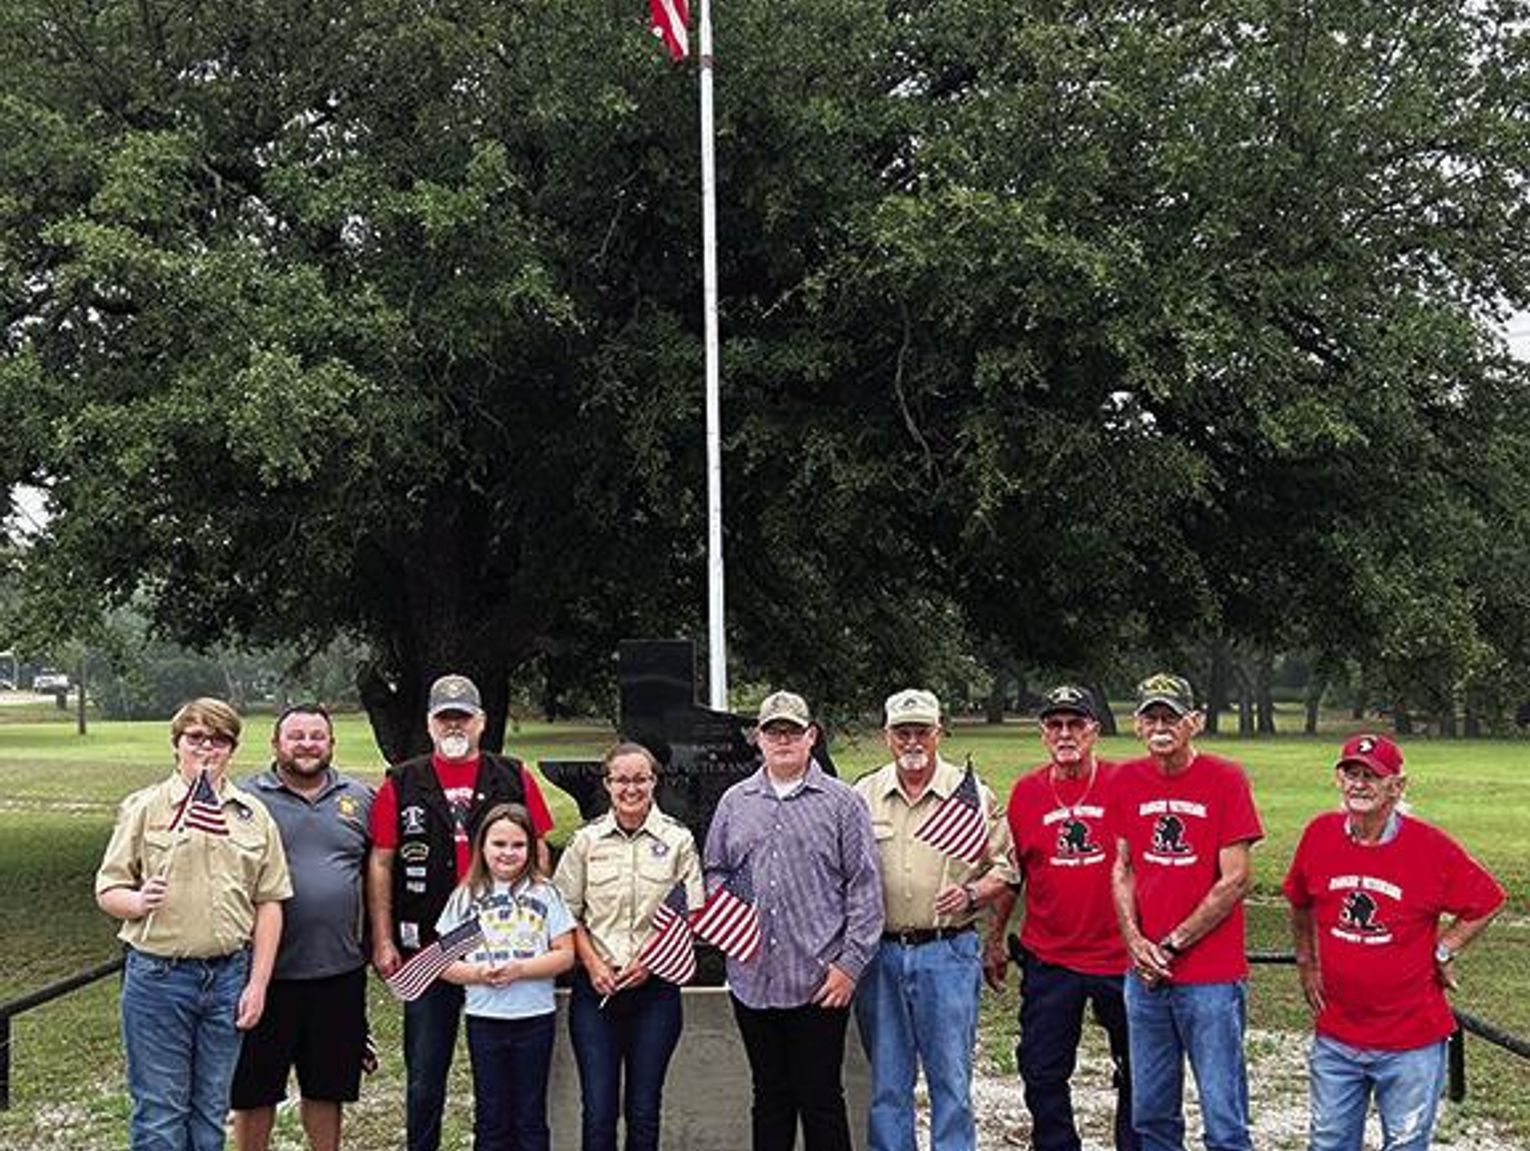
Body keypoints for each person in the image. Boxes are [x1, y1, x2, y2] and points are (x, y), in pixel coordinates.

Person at [1283, 734, 1505, 1151]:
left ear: (1397, 787)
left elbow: (1487, 899)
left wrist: (1444, 949)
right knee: (1328, 1141)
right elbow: (1299, 899)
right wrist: (1306, 962)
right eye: (1351, 773)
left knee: (1405, 1143)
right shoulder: (1319, 834)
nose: (1359, 784)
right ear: (1339, 780)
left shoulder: (1428, 846)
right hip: (1338, 1034)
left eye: (1373, 776)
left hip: (1411, 1039)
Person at [367, 673, 557, 1151]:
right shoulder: (402, 781)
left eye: (464, 717)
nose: (455, 726)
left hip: (504, 946)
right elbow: (382, 861)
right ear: (430, 724)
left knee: (503, 1075)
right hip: (431, 946)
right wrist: (384, 938)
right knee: (426, 1075)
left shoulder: (512, 775)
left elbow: (539, 851)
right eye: (444, 717)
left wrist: (539, 921)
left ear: (481, 722)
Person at [95, 698, 292, 1151]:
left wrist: (257, 983)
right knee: (161, 1113)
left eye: (219, 739)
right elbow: (108, 889)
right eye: (196, 738)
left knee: (210, 1110)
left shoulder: (253, 815)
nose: (207, 748)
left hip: (227, 978)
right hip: (159, 979)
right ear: (177, 744)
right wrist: (137, 900)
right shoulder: (144, 807)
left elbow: (270, 902)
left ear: (232, 749)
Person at [704, 690, 884, 1151]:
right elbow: (716, 869)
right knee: (770, 1097)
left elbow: (864, 887)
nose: (782, 740)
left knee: (821, 1098)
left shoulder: (842, 803)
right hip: (752, 978)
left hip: (818, 981)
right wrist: (726, 916)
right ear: (758, 739)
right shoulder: (734, 802)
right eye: (772, 731)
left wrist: (849, 966)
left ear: (811, 737)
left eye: (792, 731)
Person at [853, 688, 1017, 1151]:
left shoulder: (971, 794)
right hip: (880, 955)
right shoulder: (861, 795)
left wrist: (971, 891)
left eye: (922, 731)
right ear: (886, 737)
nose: (912, 742)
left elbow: (1006, 868)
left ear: (939, 733)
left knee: (951, 1080)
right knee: (888, 1084)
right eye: (902, 732)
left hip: (949, 951)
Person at [1109, 673, 1263, 1151]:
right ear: (1137, 725)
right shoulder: (1126, 780)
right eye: (1151, 716)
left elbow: (1236, 877)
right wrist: (1135, 941)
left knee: (1223, 1117)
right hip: (1145, 977)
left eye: (1171, 717)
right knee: (1151, 1113)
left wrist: (1171, 943)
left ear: (1193, 722)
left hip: (1209, 976)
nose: (1161, 726)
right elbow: (1122, 867)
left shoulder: (1225, 778)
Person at [986, 685, 1139, 1151]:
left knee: (1139, 1067)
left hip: (1120, 955)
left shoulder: (1125, 784)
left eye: (1076, 724)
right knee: (1042, 1068)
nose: (1066, 733)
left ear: (1094, 730)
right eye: (1056, 724)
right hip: (1051, 957)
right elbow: (1013, 875)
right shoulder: (1028, 792)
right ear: (1043, 733)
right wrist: (995, 938)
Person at [230, 704, 374, 1151]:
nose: (307, 744)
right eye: (296, 736)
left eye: (317, 736)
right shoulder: (245, 800)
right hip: (262, 976)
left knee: (327, 1087)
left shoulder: (360, 797)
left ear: (332, 743)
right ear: (276, 744)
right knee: (253, 1091)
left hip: (337, 970)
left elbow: (377, 873)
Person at [552, 742, 704, 1151]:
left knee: (644, 1108)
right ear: (608, 783)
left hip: (655, 992)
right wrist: (591, 962)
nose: (631, 788)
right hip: (597, 991)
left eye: (640, 779)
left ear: (654, 782)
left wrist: (652, 963)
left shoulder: (677, 840)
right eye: (622, 780)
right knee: (598, 1110)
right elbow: (565, 912)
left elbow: (691, 912)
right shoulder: (585, 842)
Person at [438, 803, 576, 1151]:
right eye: (499, 844)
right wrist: (479, 973)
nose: (508, 853)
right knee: (492, 1115)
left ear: (531, 848)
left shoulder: (545, 894)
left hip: (534, 1018)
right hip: (485, 1018)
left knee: (530, 1116)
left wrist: (521, 969)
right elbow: (446, 963)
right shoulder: (468, 897)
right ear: (482, 846)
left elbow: (565, 954)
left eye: (518, 845)